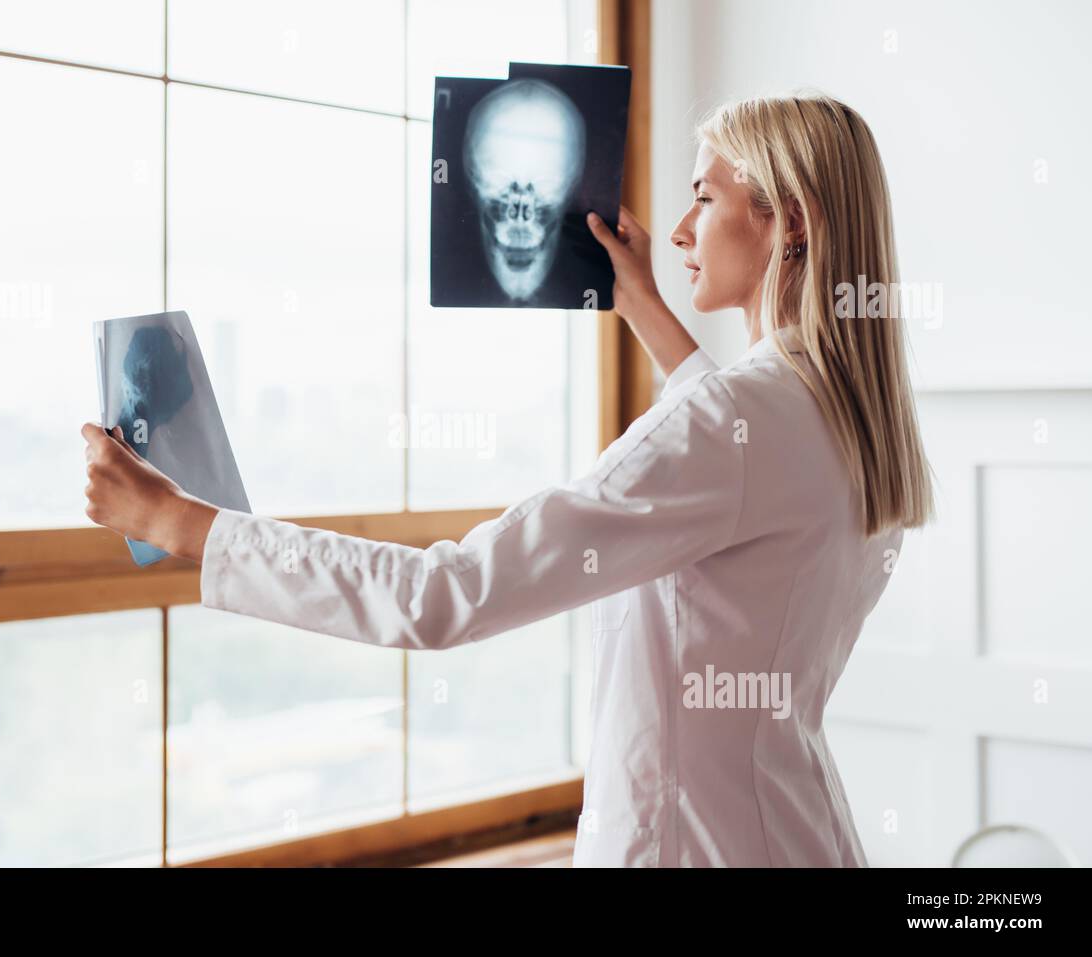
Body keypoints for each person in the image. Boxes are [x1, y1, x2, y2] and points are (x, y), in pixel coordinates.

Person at [82, 92, 935, 868]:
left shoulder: (738, 426)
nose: (678, 230)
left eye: (704, 198)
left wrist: (188, 525)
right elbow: (743, 462)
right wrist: (643, 308)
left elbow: (440, 593)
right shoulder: (849, 417)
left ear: (789, 221)